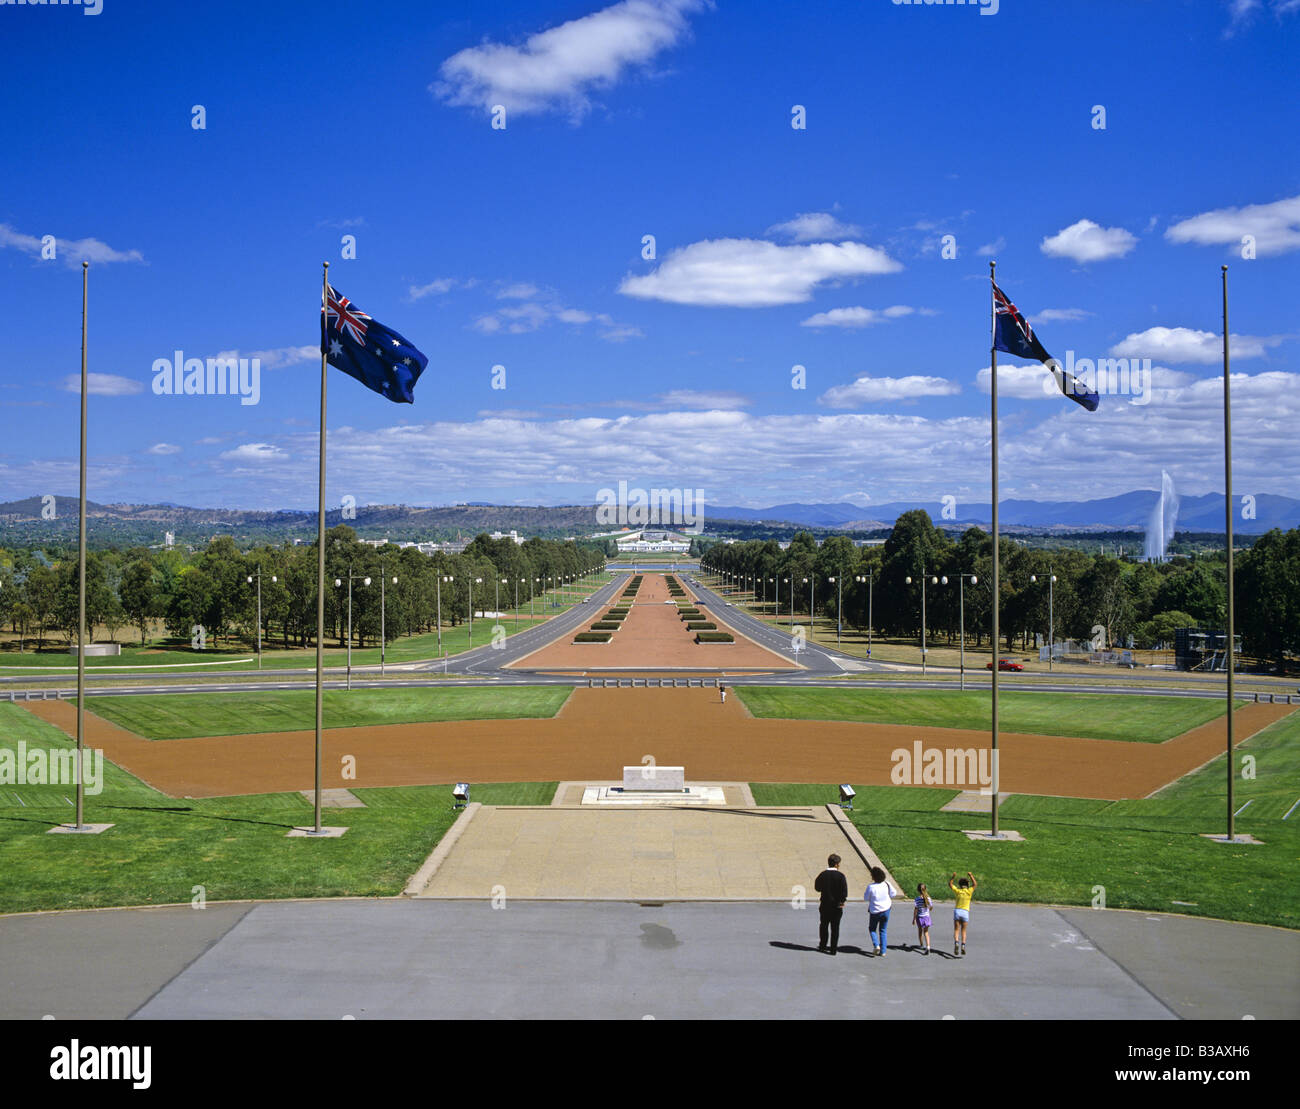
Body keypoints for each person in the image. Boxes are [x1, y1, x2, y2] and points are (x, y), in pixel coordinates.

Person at [814, 853, 848, 955]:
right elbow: (844, 892)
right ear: (837, 864)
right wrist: (842, 902)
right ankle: (833, 949)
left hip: (825, 904)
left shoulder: (822, 874)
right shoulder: (841, 876)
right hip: (837, 906)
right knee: (835, 927)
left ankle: (822, 945)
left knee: (824, 925)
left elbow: (817, 888)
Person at [864, 865, 899, 956]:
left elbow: (866, 898)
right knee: (883, 930)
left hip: (875, 911)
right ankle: (883, 951)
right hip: (886, 910)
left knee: (872, 929)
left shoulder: (871, 887)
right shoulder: (887, 884)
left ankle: (876, 945)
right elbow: (894, 894)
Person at [949, 871, 977, 956]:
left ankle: (956, 942)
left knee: (956, 930)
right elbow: (975, 884)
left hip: (957, 911)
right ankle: (963, 945)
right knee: (963, 931)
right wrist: (971, 875)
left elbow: (950, 884)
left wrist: (953, 877)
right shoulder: (969, 892)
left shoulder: (958, 891)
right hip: (965, 912)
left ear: (960, 885)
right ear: (967, 885)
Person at [913, 883, 933, 955]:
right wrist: (928, 908)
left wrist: (914, 919)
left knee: (920, 931)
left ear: (918, 890)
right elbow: (931, 907)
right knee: (926, 932)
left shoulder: (917, 899)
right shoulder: (928, 898)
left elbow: (916, 909)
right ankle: (928, 946)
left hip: (919, 917)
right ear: (925, 889)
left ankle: (921, 944)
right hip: (927, 917)